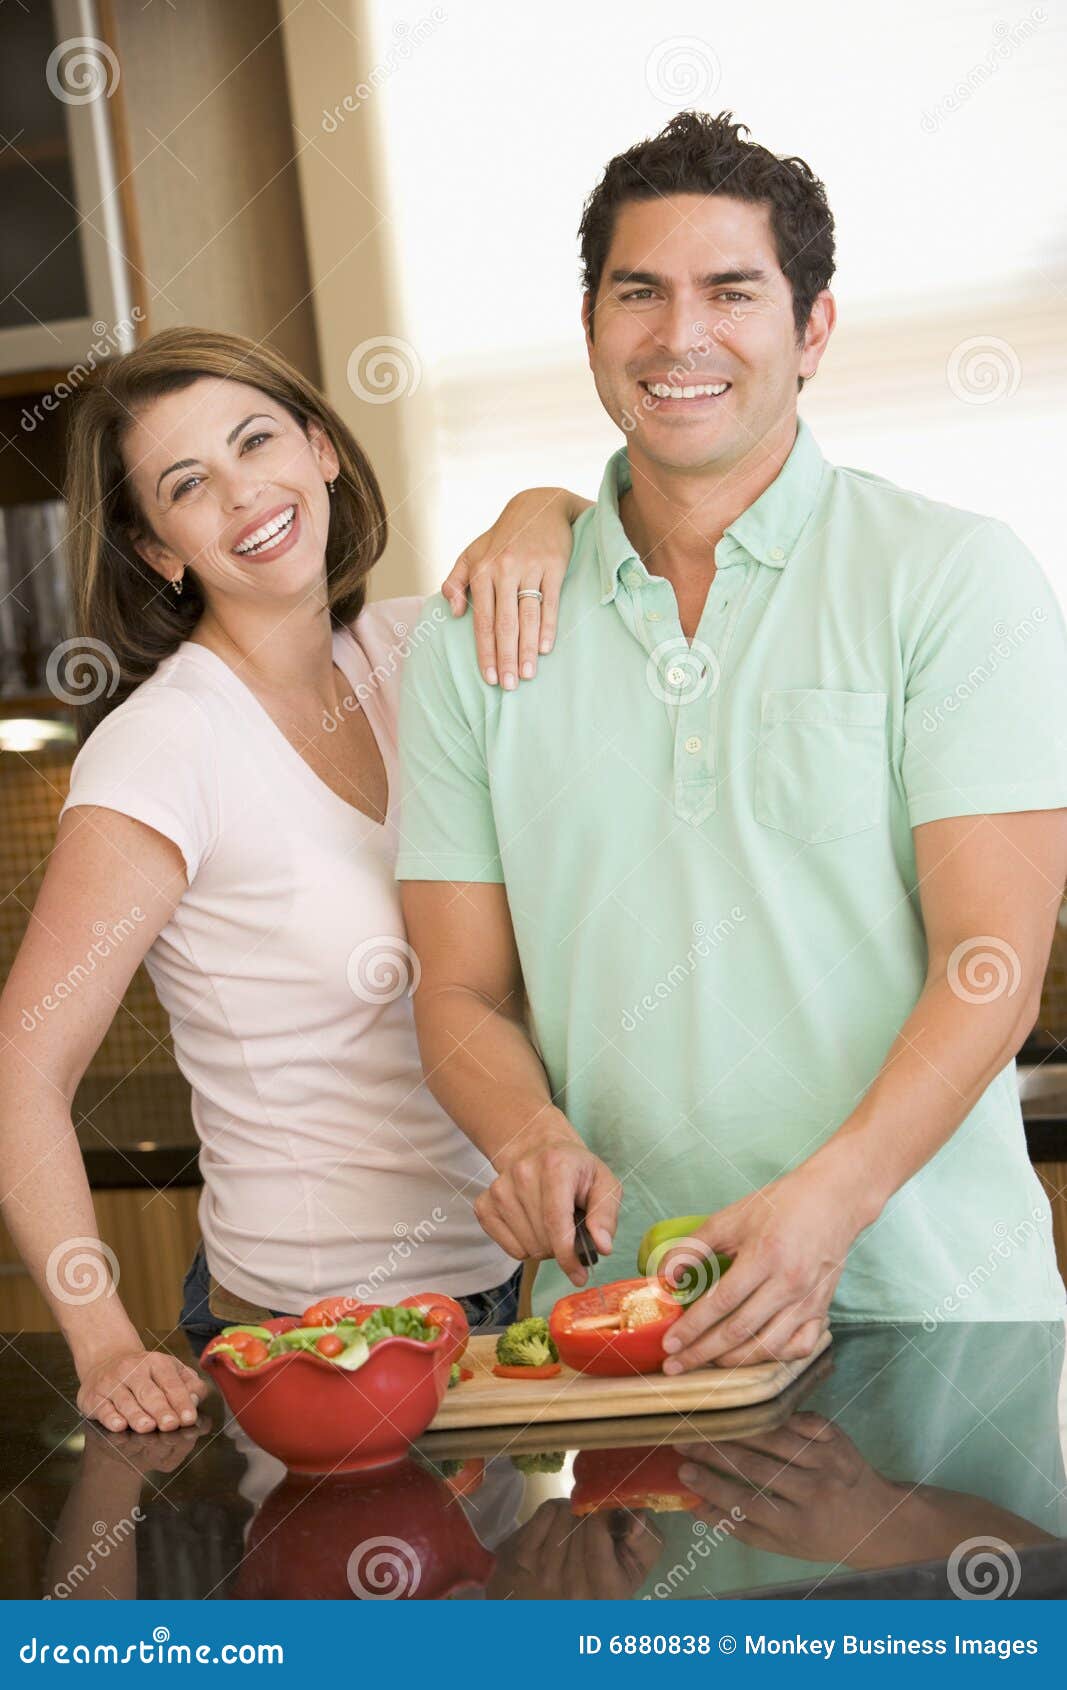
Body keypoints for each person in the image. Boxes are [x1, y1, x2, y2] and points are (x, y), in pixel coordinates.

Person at [396, 111, 1067, 1370]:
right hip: (629, 1331)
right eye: (636, 291)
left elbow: (991, 960)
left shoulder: (950, 578)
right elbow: (459, 989)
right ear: (590, 326)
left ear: (810, 329)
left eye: (730, 291)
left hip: (934, 1313)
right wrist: (525, 1132)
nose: (678, 335)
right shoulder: (474, 637)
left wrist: (830, 1205)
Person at [0, 326, 587, 1434]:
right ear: (159, 549)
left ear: (320, 449)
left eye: (256, 440)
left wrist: (540, 505)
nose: (243, 495)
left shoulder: (426, 655)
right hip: (310, 1330)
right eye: (188, 485)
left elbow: (616, 572)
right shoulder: (163, 746)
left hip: (511, 1295)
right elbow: (19, 1068)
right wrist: (105, 1342)